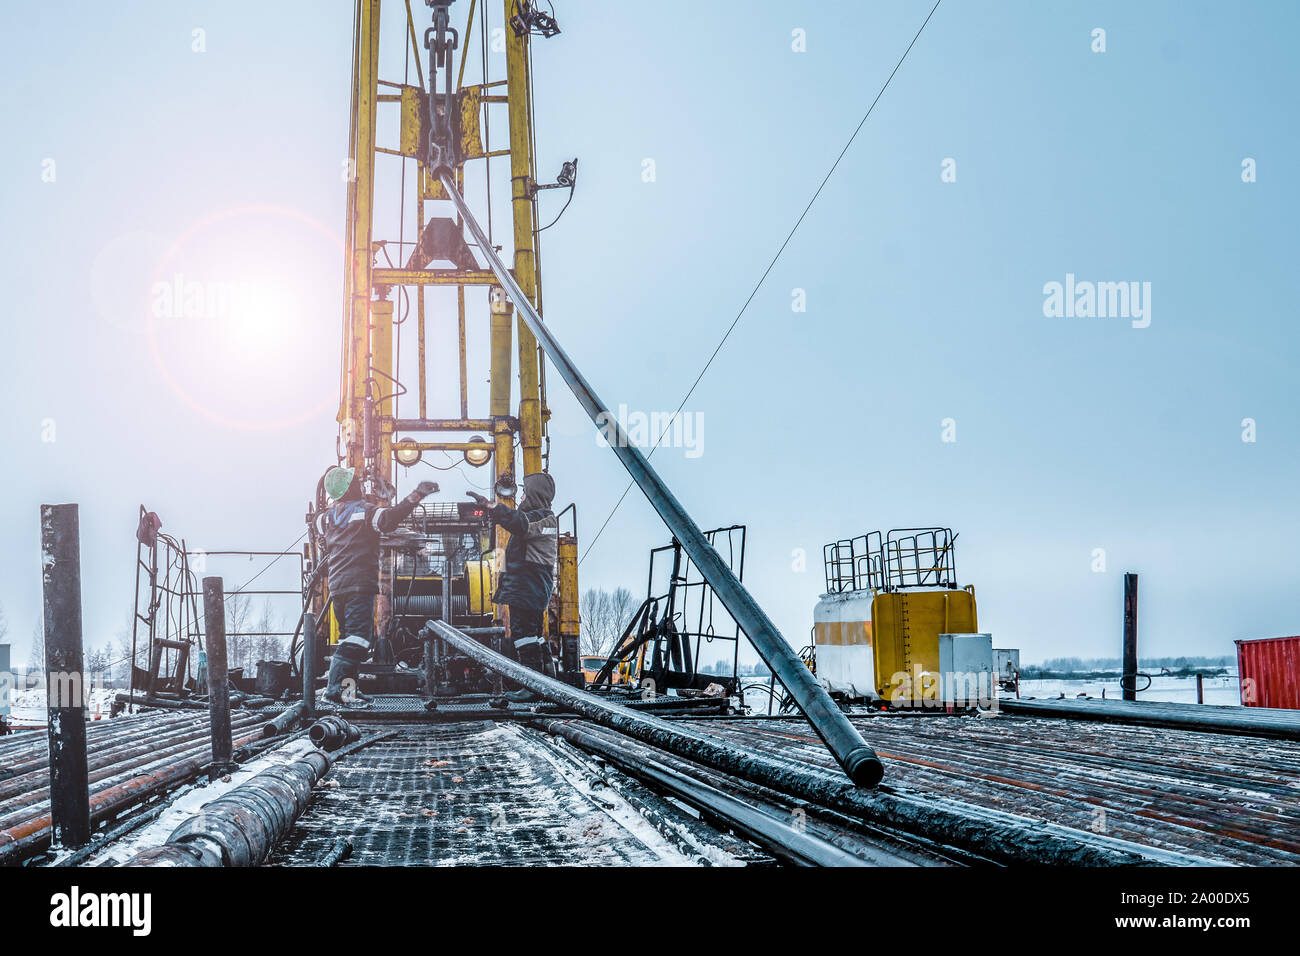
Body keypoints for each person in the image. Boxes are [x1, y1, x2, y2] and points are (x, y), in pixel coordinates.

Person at [316, 466, 437, 708]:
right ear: (353, 488)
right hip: (359, 584)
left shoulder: (325, 518)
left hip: (338, 586)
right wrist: (416, 495)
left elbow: (323, 538)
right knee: (359, 640)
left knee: (348, 639)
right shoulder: (367, 512)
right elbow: (390, 520)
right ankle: (334, 692)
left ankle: (348, 694)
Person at [468, 472, 558, 701]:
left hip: (529, 583)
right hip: (531, 584)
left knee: (524, 633)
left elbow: (520, 524)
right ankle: (547, 683)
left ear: (535, 495)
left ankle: (533, 688)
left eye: (526, 492)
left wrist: (491, 506)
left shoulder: (542, 519)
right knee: (534, 635)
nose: (522, 497)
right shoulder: (541, 518)